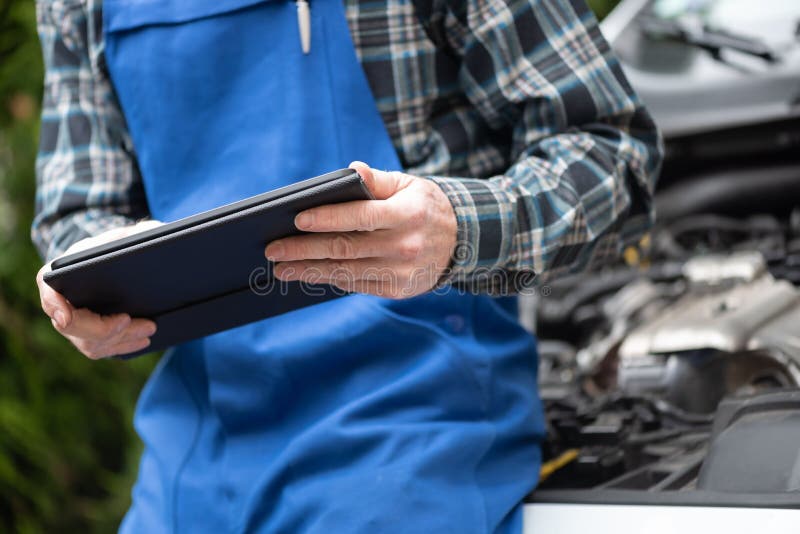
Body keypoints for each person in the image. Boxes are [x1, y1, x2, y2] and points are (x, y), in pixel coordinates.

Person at [33, 0, 662, 531]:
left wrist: (459, 226)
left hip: (415, 427)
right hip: (196, 445)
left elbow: (611, 150)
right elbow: (78, 212)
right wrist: (89, 284)